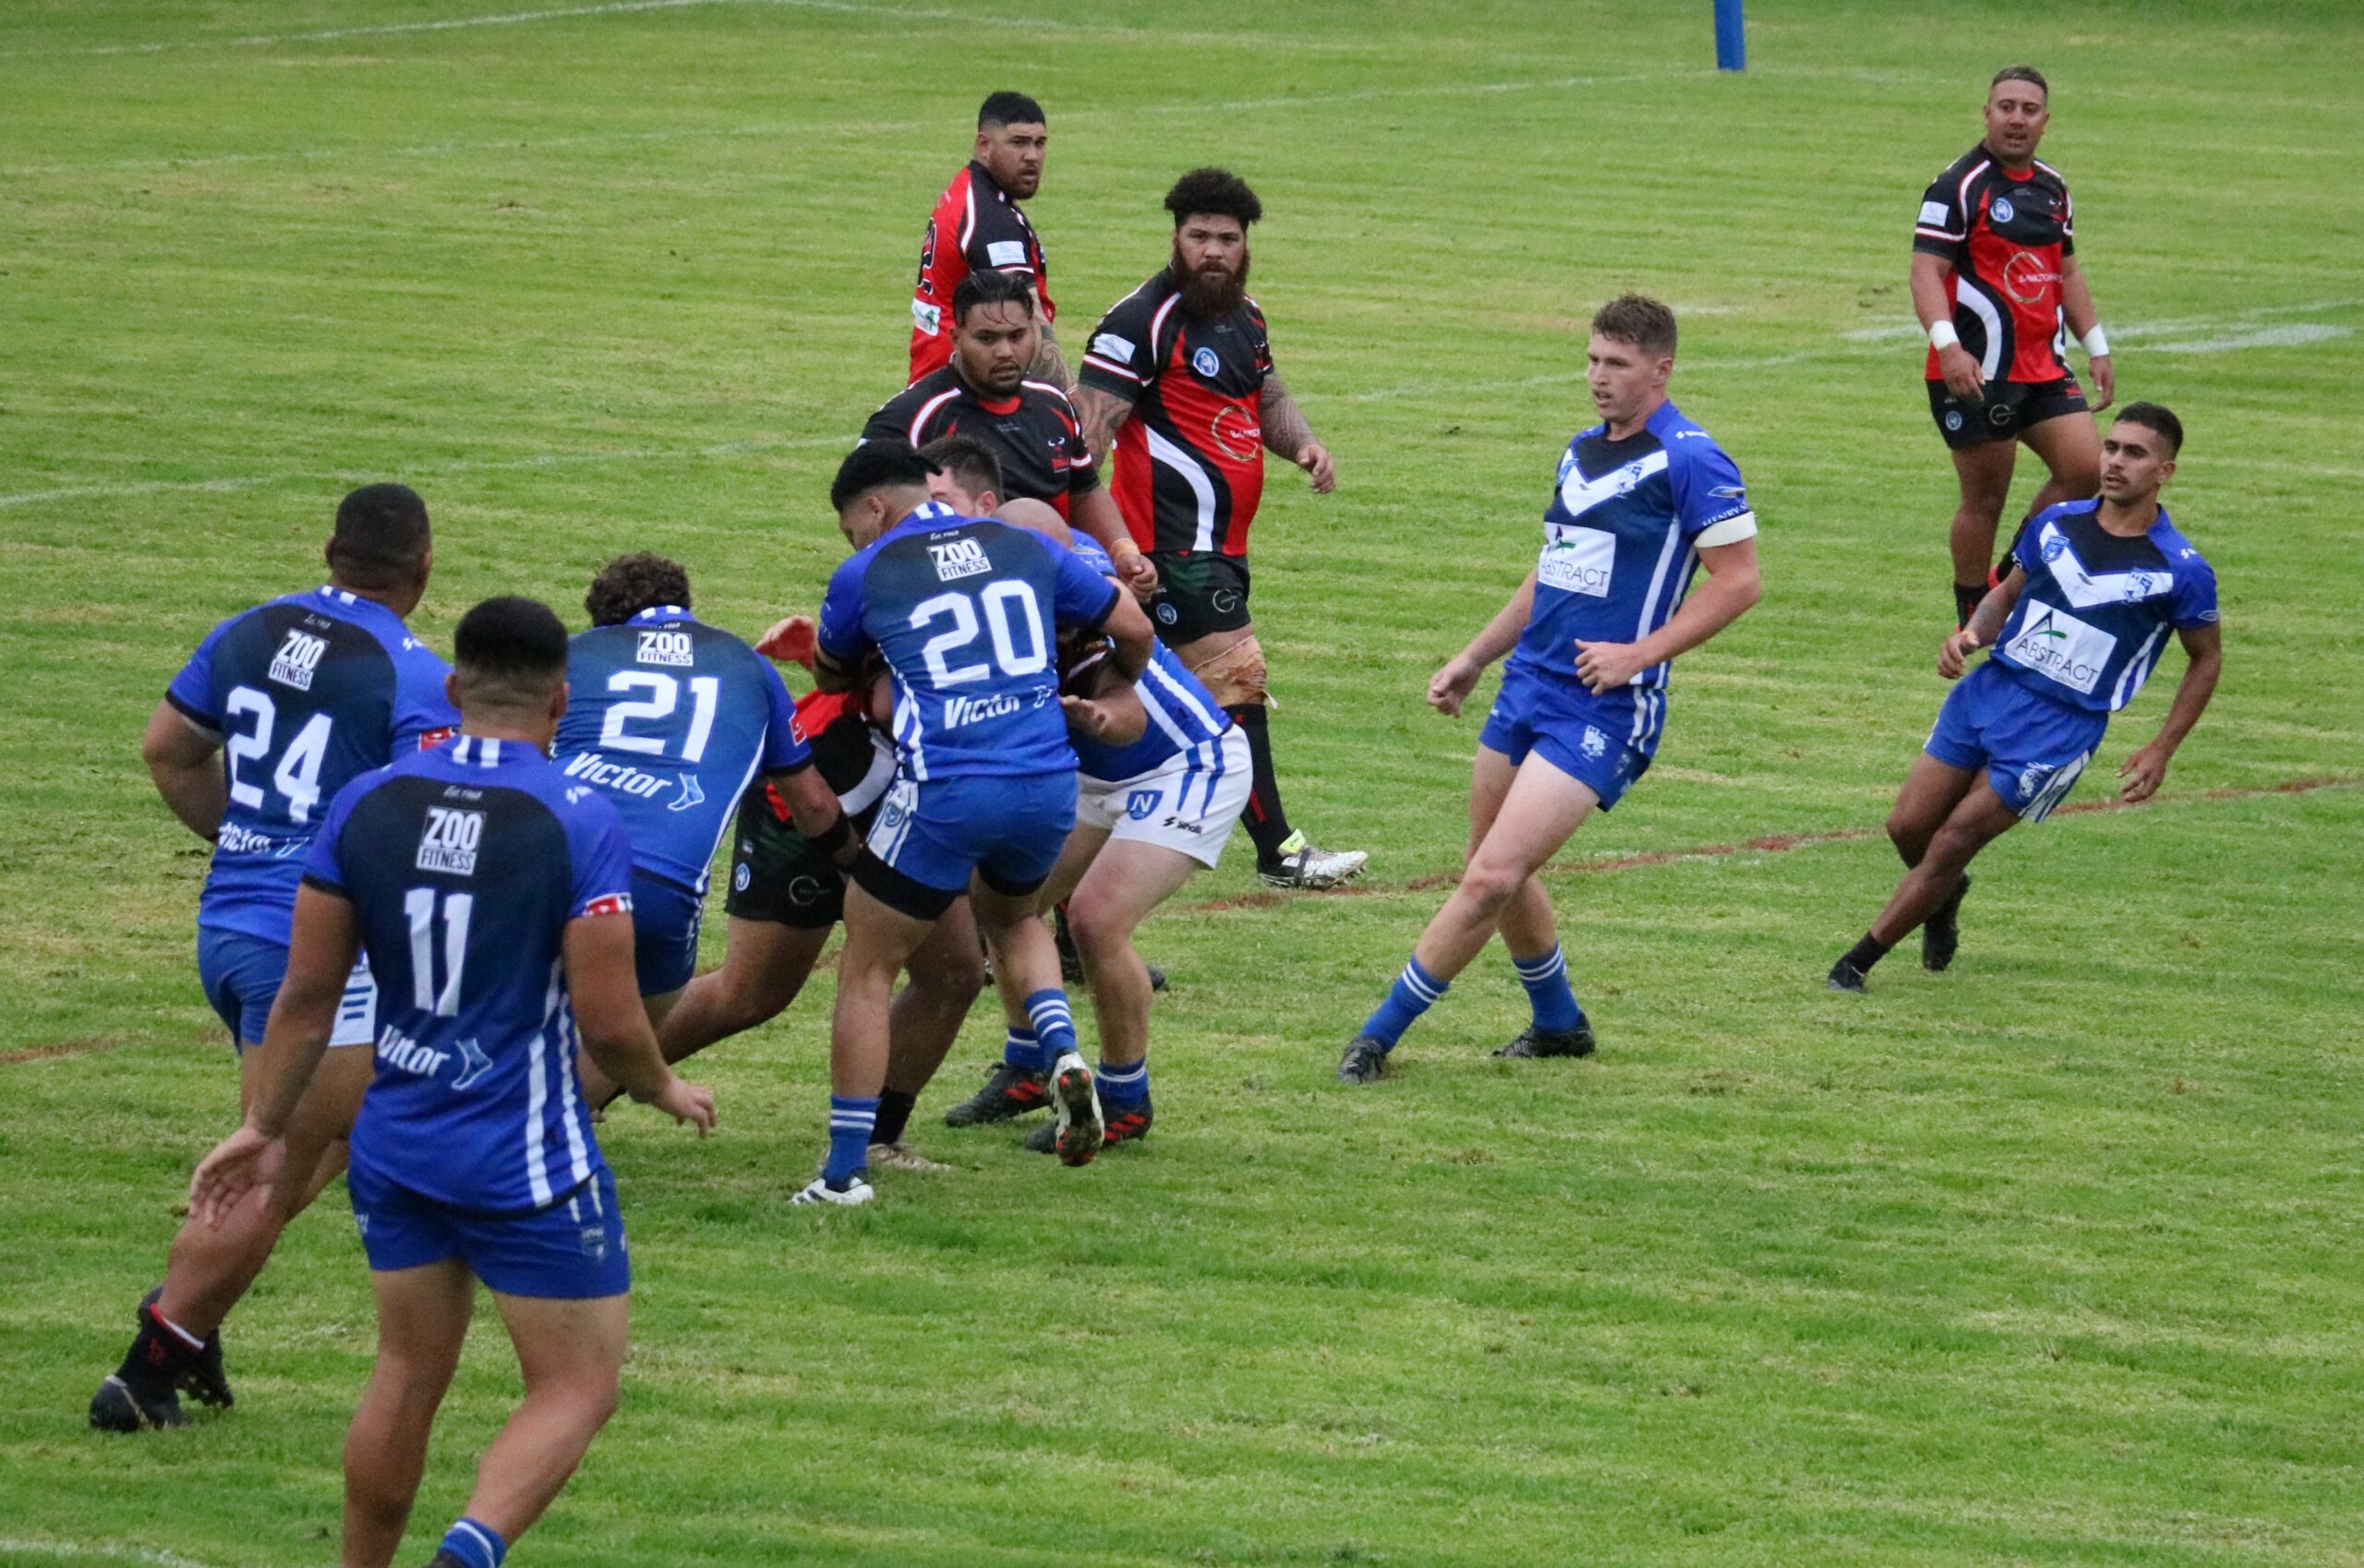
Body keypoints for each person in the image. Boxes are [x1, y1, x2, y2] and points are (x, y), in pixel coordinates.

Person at [187, 596, 716, 1568]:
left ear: (452, 687)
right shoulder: (577, 817)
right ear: (563, 700)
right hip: (523, 1148)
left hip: (396, 1135)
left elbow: (307, 996)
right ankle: (467, 1553)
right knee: (576, 1386)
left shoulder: (366, 801)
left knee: (405, 1371)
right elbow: (607, 1015)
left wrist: (263, 1124)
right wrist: (661, 1088)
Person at [92, 483, 458, 1433]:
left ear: (329, 548)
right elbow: (417, 821)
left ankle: (191, 1329)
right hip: (312, 953)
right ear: (422, 568)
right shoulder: (413, 675)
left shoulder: (247, 629)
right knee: (279, 1156)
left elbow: (169, 749)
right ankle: (150, 1363)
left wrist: (242, 840)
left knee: (325, 1137)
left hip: (230, 930)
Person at [1337, 296, 1763, 1083]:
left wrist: (1639, 654)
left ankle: (1376, 1038)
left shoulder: (1694, 459)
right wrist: (1475, 657)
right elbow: (1554, 568)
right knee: (1496, 866)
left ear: (1662, 370)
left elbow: (1738, 584)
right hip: (1529, 686)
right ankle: (1560, 1024)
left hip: (1604, 707)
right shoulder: (1580, 451)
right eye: (1594, 359)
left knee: (1492, 877)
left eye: (1618, 364)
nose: (1599, 378)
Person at [797, 440, 1155, 1202]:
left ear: (873, 509)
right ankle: (1059, 1048)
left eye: (850, 529)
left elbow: (832, 672)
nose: (853, 543)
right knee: (1016, 918)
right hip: (1047, 779)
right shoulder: (1020, 545)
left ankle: (841, 1174)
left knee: (867, 965)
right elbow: (1131, 622)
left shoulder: (867, 572)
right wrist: (1110, 672)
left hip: (949, 788)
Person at [1827, 404, 2220, 992]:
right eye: (2111, 447)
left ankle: (1855, 964)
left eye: (2134, 453)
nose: (2114, 462)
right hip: (1989, 693)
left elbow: (2206, 658)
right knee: (1908, 827)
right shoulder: (2056, 522)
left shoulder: (2181, 570)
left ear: (2165, 471)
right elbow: (2004, 596)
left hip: (2061, 726)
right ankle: (1943, 894)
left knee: (1956, 838)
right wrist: (1971, 634)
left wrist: (2163, 747)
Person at [923, 456, 1242, 1151]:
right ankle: (1028, 1063)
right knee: (1003, 904)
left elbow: (1124, 706)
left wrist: (1094, 720)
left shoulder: (1077, 597)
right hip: (1096, 776)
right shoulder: (1018, 572)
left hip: (1185, 763)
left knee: (1096, 922)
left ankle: (1126, 1099)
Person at [1071, 166, 1365, 889]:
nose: (1212, 251)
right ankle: (1281, 852)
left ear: (1246, 247)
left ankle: (1051, 903)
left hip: (1222, 549)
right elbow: (1081, 446)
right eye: (1198, 236)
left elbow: (1263, 391)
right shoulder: (1139, 322)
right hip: (1167, 551)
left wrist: (1302, 445)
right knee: (1237, 679)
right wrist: (1096, 548)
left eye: (1226, 239)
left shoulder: (1246, 317)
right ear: (1175, 238)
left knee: (1129, 707)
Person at [549, 553, 842, 1061]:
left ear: (607, 625)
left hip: (546, 859)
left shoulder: (576, 654)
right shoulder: (746, 665)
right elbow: (813, 805)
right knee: (625, 1041)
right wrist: (861, 864)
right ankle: (567, 1110)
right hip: (662, 890)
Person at [1914, 65, 2116, 626]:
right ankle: (1972, 610)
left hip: (2043, 366)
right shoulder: (1958, 184)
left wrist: (2095, 344)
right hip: (1977, 371)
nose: (2016, 118)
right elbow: (1925, 272)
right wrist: (1949, 348)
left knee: (2086, 471)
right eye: (2006, 107)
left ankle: (2009, 580)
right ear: (1987, 114)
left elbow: (2067, 273)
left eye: (2028, 110)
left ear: (2045, 122)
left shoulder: (2053, 188)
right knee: (1985, 499)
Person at [866, 270, 1152, 596]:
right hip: (965, 596)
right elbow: (866, 514)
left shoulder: (1054, 404)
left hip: (1059, 587)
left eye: (1016, 336)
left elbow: (1085, 490)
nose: (1005, 352)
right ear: (956, 337)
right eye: (987, 338)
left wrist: (1124, 552)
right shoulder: (910, 418)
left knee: (1138, 632)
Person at [909, 91, 1064, 385]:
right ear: (984, 145)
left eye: (1039, 143)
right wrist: (1073, 409)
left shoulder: (970, 192)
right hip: (966, 395)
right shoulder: (992, 221)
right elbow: (1027, 320)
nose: (1032, 156)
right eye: (1018, 142)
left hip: (939, 383)